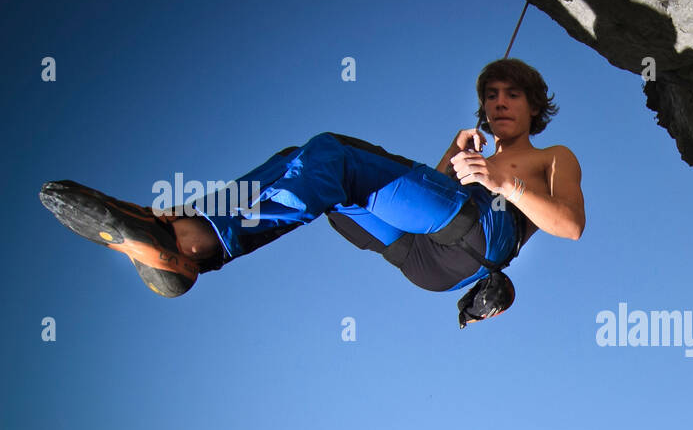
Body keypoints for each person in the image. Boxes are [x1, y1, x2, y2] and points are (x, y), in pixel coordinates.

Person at [39, 58, 585, 326]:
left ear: (536, 105)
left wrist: (500, 179)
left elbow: (570, 225)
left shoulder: (552, 158)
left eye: (512, 94)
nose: (498, 103)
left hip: (477, 247)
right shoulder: (480, 154)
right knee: (308, 163)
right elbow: (431, 192)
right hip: (423, 258)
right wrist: (455, 153)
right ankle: (191, 241)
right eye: (490, 96)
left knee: (335, 155)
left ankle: (201, 233)